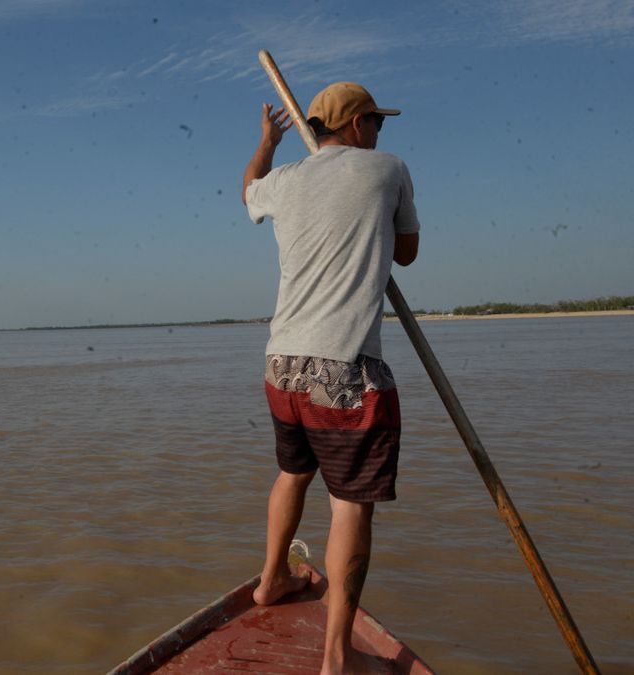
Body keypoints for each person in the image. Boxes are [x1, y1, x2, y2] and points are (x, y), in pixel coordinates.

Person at [241, 81, 420, 675]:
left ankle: (271, 580)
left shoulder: (286, 178)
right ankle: (337, 659)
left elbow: (248, 192)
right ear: (357, 125)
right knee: (351, 506)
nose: (380, 134)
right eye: (377, 123)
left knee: (293, 472)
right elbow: (407, 252)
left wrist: (267, 143)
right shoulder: (389, 169)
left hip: (281, 365)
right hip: (343, 370)